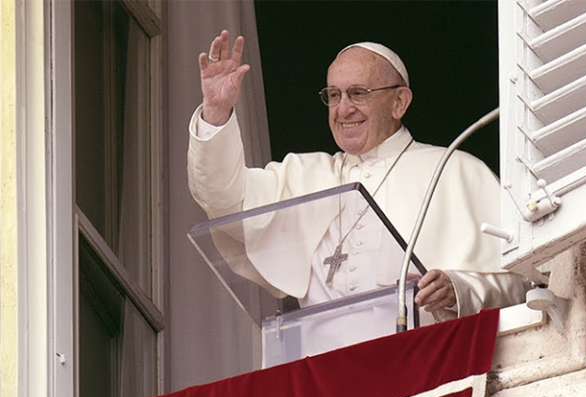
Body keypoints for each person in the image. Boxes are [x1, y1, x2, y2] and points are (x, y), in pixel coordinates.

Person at [188, 30, 526, 327]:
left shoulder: (455, 170)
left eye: (358, 93)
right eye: (334, 96)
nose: (343, 109)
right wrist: (216, 112)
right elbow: (224, 201)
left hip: (425, 364)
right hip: (322, 374)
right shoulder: (303, 175)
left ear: (399, 102)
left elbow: (524, 281)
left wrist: (458, 289)